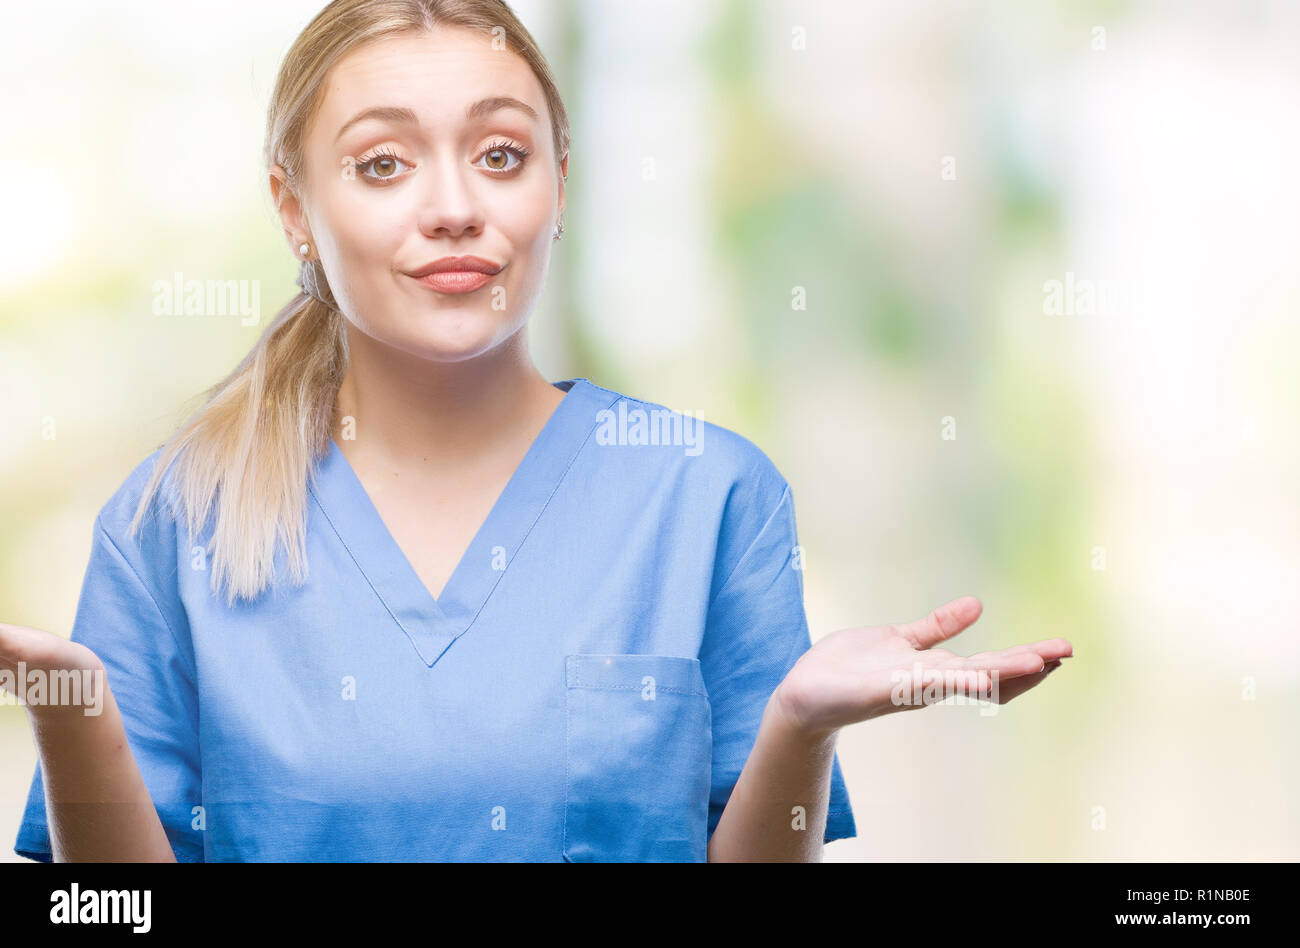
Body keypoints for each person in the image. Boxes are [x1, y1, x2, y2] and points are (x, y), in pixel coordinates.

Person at [1, 0, 1071, 863]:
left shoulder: (710, 498)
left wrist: (797, 723)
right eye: (384, 163)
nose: (455, 206)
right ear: (294, 210)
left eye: (502, 155)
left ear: (559, 184)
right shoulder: (169, 522)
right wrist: (77, 712)